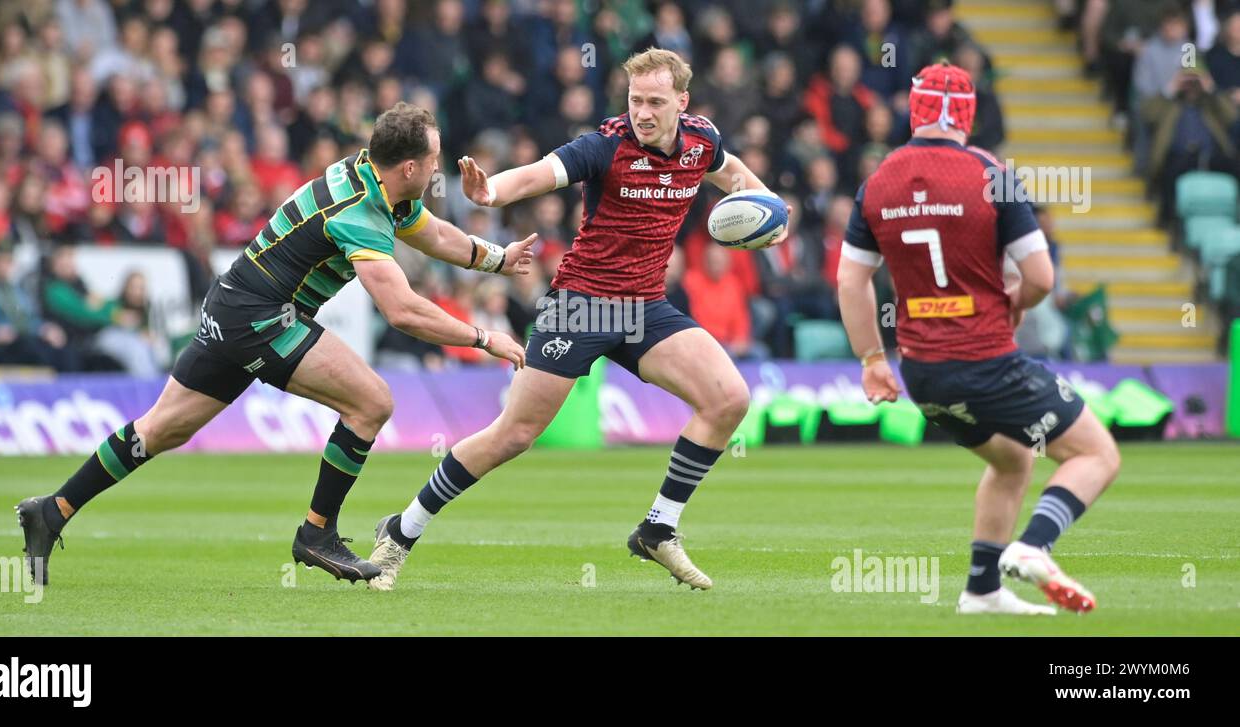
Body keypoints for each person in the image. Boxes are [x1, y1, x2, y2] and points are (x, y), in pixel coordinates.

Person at [16, 103, 534, 586]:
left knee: (160, 429)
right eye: (434, 158)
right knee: (372, 402)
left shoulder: (371, 178)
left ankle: (52, 510)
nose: (438, 167)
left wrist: (497, 258)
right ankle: (316, 533)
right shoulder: (360, 211)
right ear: (409, 167)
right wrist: (483, 337)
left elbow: (435, 236)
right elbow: (401, 310)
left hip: (233, 302)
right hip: (263, 317)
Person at [365, 49, 786, 592]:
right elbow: (541, 174)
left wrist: (772, 209)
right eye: (636, 100)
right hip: (580, 306)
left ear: (682, 102)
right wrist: (491, 192)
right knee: (514, 435)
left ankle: (658, 529)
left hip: (644, 306)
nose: (643, 112)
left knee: (728, 399)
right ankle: (401, 531)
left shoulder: (703, 141)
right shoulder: (606, 145)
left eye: (656, 102)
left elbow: (735, 177)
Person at [835, 62, 1121, 615]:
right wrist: (1016, 302)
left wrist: (871, 359)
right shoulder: (992, 174)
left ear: (913, 111)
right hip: (986, 360)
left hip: (922, 373)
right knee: (1097, 453)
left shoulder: (877, 181)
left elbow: (851, 280)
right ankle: (1034, 547)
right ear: (967, 115)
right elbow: (1041, 277)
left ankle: (982, 590)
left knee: (1013, 459)